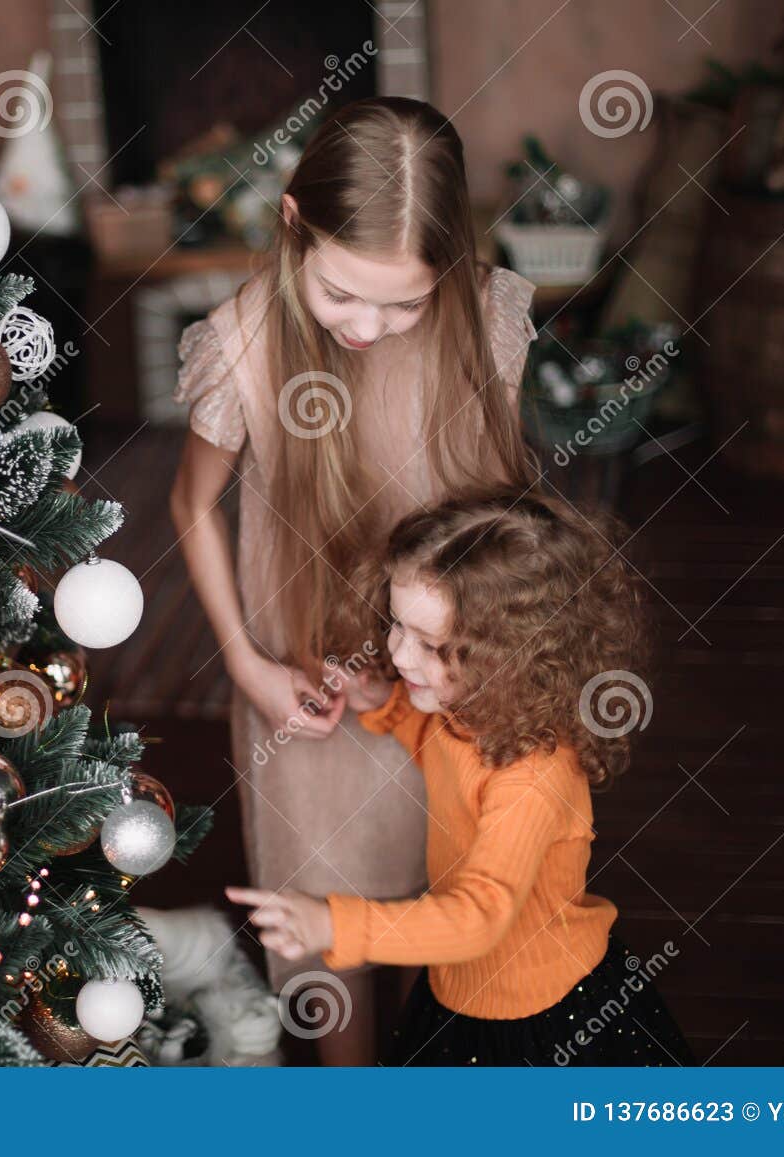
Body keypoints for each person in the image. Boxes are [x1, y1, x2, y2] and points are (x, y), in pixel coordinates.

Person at [169, 96, 538, 1064]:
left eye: (403, 302)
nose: (369, 325)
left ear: (449, 265)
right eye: (342, 295)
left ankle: (428, 1067)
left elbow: (505, 517)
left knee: (445, 892)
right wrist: (246, 664)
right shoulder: (241, 345)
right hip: (311, 689)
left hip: (456, 682)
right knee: (331, 910)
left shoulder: (485, 323)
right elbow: (190, 506)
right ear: (294, 225)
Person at [228, 492, 696, 1066]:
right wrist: (388, 706)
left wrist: (334, 923)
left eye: (430, 644)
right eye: (397, 625)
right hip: (459, 988)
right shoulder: (469, 713)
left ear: (507, 656)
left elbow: (479, 917)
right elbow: (442, 754)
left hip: (543, 1019)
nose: (398, 653)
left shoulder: (533, 773)